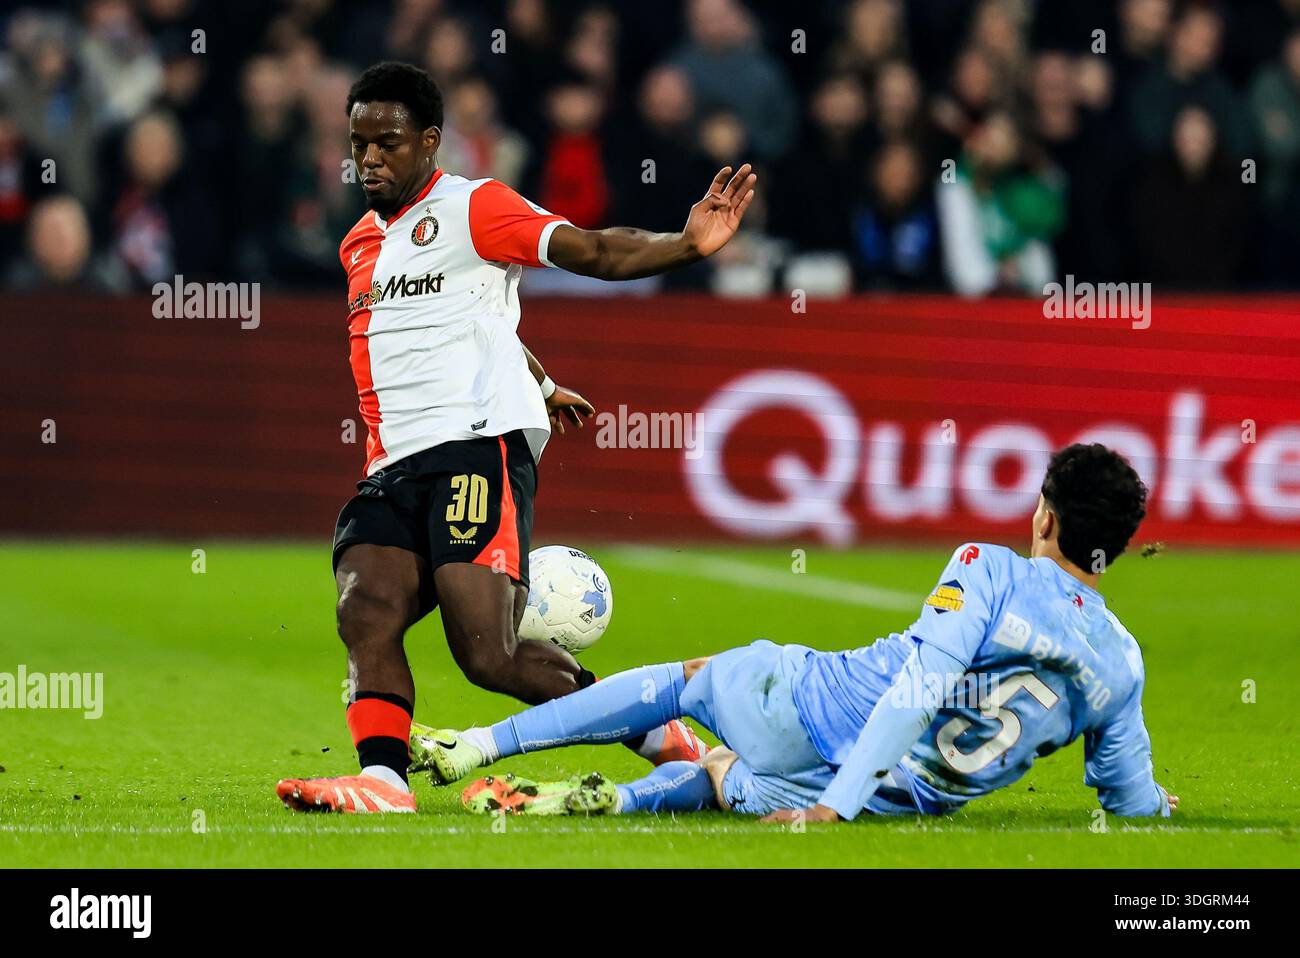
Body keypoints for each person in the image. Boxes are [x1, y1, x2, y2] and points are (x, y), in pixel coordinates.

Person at [276, 61, 756, 814]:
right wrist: (539, 377)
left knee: (487, 654)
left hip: (474, 448)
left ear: (430, 142)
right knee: (363, 607)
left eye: (388, 142)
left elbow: (592, 250)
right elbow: (466, 321)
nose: (368, 158)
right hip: (391, 462)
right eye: (359, 142)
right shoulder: (356, 247)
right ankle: (384, 781)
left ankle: (668, 739)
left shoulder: (476, 209)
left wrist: (686, 247)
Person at [417, 444, 1179, 825]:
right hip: (903, 798)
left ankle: (480, 746)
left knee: (699, 677)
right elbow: (1130, 797)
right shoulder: (1122, 661)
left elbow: (918, 690)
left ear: (1045, 517)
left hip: (824, 721)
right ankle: (611, 799)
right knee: (721, 773)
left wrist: (836, 804)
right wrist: (1160, 807)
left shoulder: (990, 568)